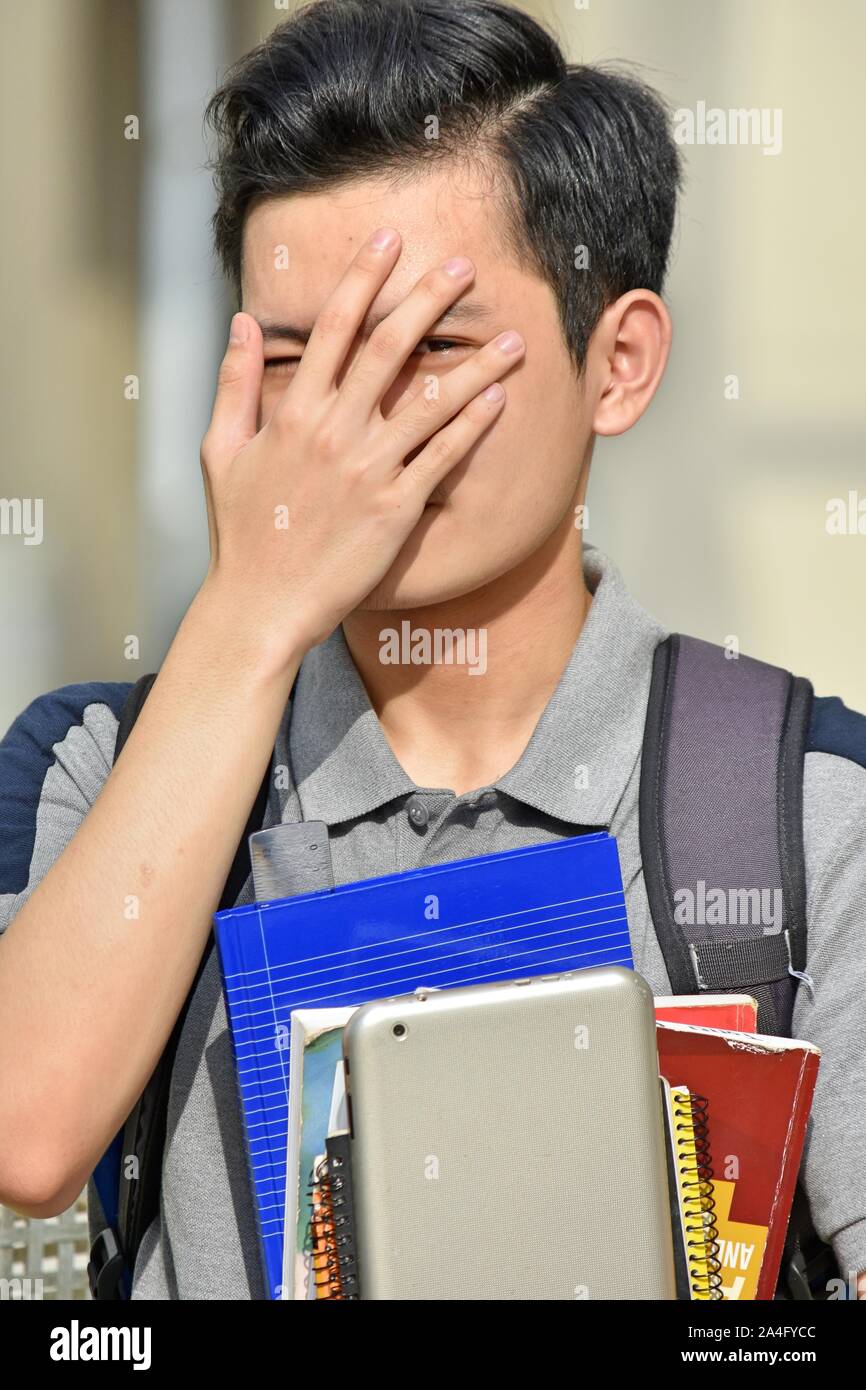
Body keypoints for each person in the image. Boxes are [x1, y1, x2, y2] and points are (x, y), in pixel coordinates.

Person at [0, 0, 863, 1300]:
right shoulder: (99, 763)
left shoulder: (806, 810)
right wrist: (250, 606)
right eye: (296, 357)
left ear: (617, 364)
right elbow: (27, 1130)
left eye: (428, 349)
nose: (348, 422)